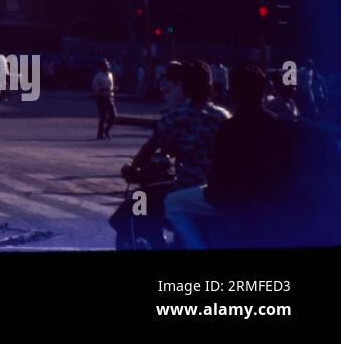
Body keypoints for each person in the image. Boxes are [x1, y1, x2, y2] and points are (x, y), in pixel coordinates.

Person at [169, 65, 341, 249]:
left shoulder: (227, 129)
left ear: (235, 94)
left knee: (173, 202)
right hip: (271, 197)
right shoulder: (279, 126)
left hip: (235, 199)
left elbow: (219, 174)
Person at [110, 60, 229, 249]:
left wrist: (133, 169)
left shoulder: (178, 116)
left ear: (184, 87)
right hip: (219, 190)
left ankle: (158, 244)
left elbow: (150, 146)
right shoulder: (223, 116)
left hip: (186, 187)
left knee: (140, 199)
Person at [91, 59, 116, 139]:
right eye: (105, 65)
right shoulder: (98, 76)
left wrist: (112, 93)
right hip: (101, 98)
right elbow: (94, 88)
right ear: (101, 67)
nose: (107, 67)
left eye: (108, 65)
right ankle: (100, 134)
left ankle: (106, 130)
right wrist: (102, 89)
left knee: (114, 116)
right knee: (103, 117)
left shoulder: (110, 75)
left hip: (109, 97)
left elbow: (111, 87)